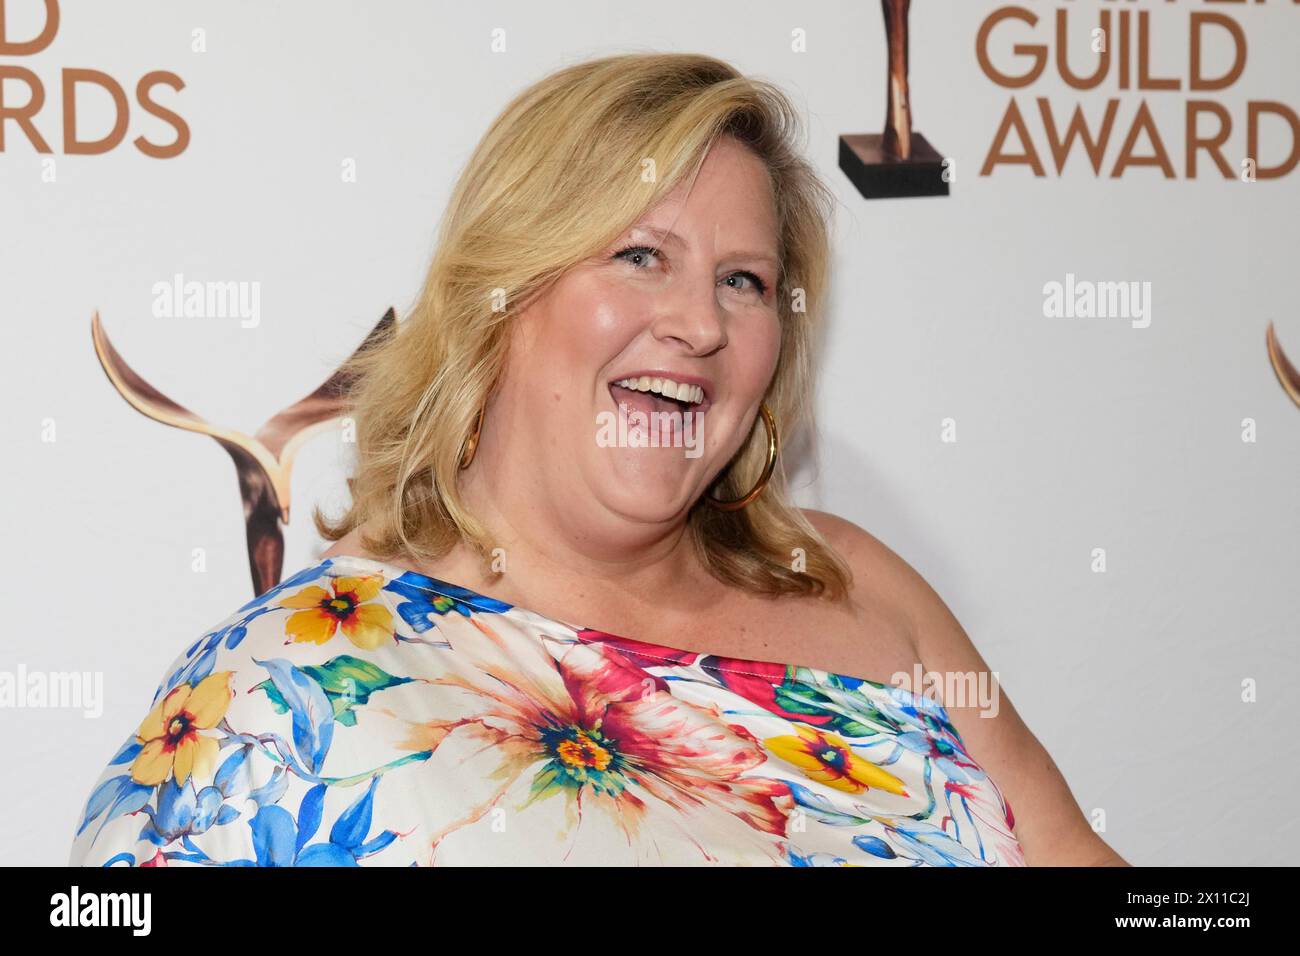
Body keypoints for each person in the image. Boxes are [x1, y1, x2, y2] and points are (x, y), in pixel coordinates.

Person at [69, 52, 1126, 866]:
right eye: (639, 256)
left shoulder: (854, 582)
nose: (700, 325)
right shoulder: (284, 686)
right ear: (501, 295)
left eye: (744, 281)